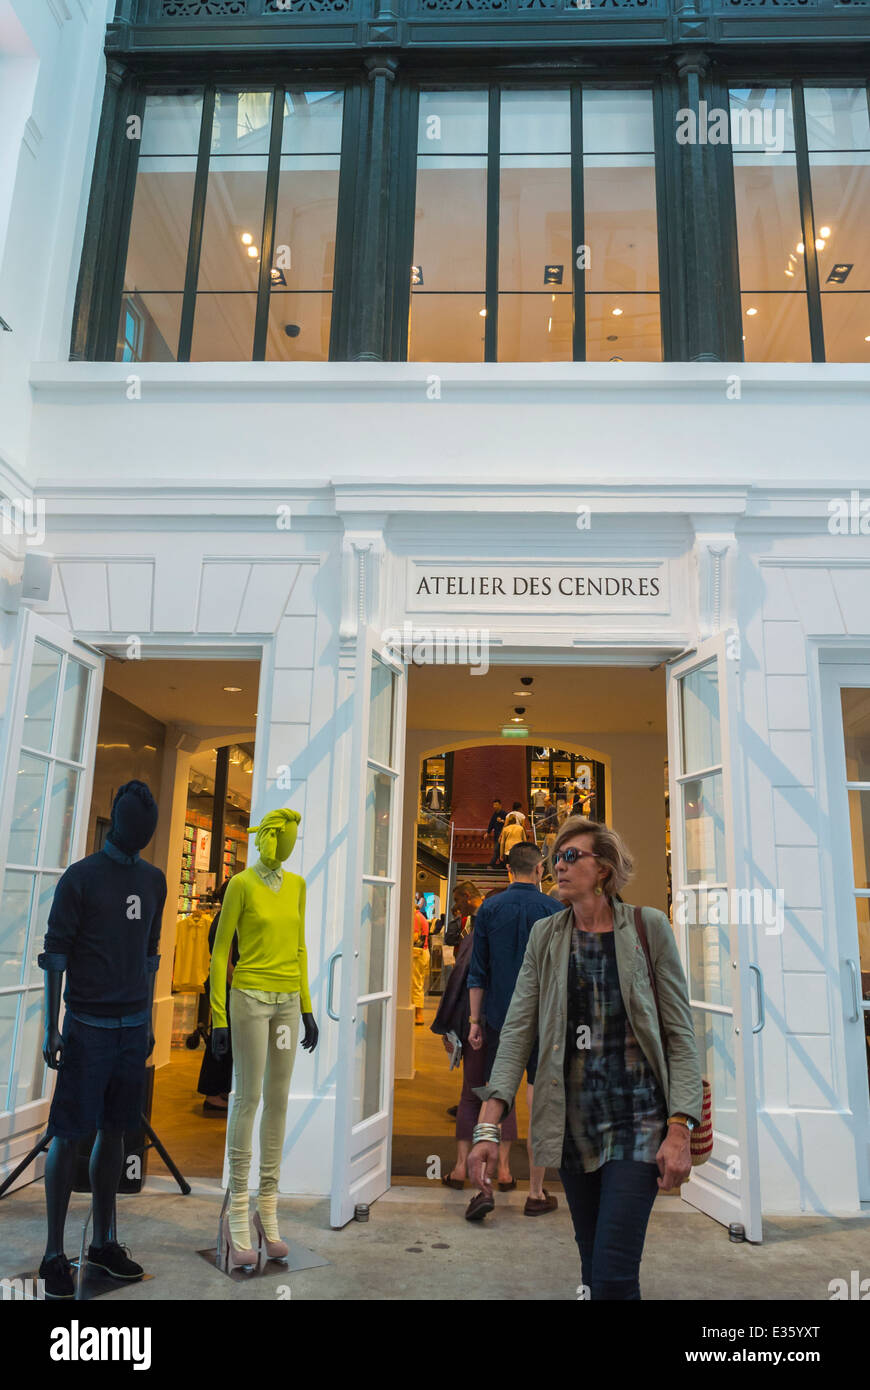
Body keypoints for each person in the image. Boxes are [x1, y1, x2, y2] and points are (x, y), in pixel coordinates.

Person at [470, 816, 703, 1301]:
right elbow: (517, 1029)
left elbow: (680, 1033)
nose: (559, 864)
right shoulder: (546, 936)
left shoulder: (647, 928)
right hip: (572, 1123)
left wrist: (680, 1126)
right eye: (557, 856)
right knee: (592, 1261)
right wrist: (488, 1125)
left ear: (604, 868)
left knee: (616, 1272)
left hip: (638, 1120)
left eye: (572, 855)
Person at [38, 781, 167, 1298]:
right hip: (87, 1026)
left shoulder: (155, 881)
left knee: (116, 1130)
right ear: (119, 819)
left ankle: (104, 1242)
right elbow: (55, 954)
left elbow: (151, 954)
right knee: (67, 1133)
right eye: (137, 822)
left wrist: (150, 1017)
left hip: (132, 1028)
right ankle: (52, 1252)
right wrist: (52, 1024)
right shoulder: (80, 878)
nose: (141, 833)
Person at [466, 842, 563, 1218]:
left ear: (508, 870)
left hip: (499, 1018)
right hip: (544, 1021)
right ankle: (536, 1192)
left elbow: (479, 971)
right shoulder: (554, 909)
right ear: (540, 870)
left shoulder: (489, 908)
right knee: (538, 1103)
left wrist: (475, 1022)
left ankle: (485, 1186)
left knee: (493, 1098)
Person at [430, 922, 520, 1214]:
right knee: (505, 1095)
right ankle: (504, 1171)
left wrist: (454, 1024)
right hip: (508, 1023)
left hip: (476, 1023)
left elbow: (459, 982)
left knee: (470, 1094)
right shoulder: (519, 939)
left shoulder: (474, 939)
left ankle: (459, 1169)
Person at [412, 900, 431, 1025]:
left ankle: (419, 1015)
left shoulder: (414, 917)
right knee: (418, 983)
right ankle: (417, 1014)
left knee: (415, 984)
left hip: (416, 954)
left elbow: (414, 936)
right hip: (424, 952)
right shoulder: (422, 917)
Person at [486, 799, 507, 868]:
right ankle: (502, 865)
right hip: (496, 835)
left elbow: (508, 824)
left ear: (500, 805)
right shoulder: (494, 814)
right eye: (494, 805)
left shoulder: (504, 814)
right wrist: (487, 832)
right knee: (498, 850)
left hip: (502, 835)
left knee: (497, 849)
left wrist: (502, 821)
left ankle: (491, 864)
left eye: (496, 805)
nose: (494, 806)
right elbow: (491, 824)